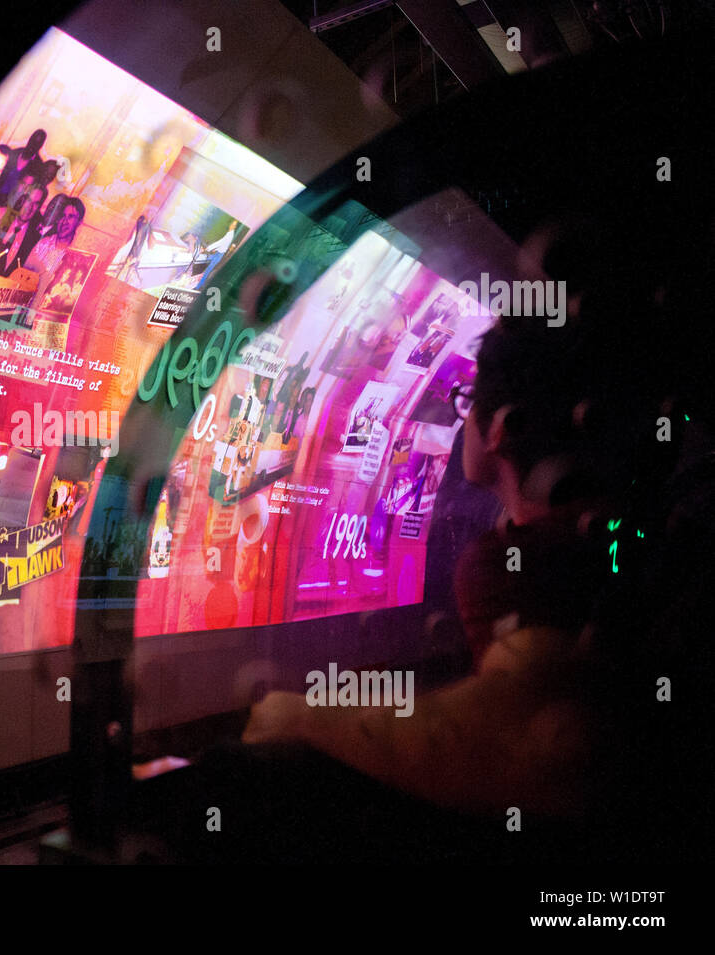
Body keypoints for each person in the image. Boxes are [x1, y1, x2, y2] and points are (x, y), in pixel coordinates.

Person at [227, 309, 701, 863]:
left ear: (499, 427)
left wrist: (298, 715)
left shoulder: (513, 563)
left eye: (471, 398)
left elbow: (546, 742)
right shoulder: (629, 528)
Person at [25, 196, 84, 278]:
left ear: (79, 222)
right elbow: (24, 272)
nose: (64, 221)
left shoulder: (75, 255)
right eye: (63, 216)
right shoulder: (44, 243)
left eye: (70, 217)